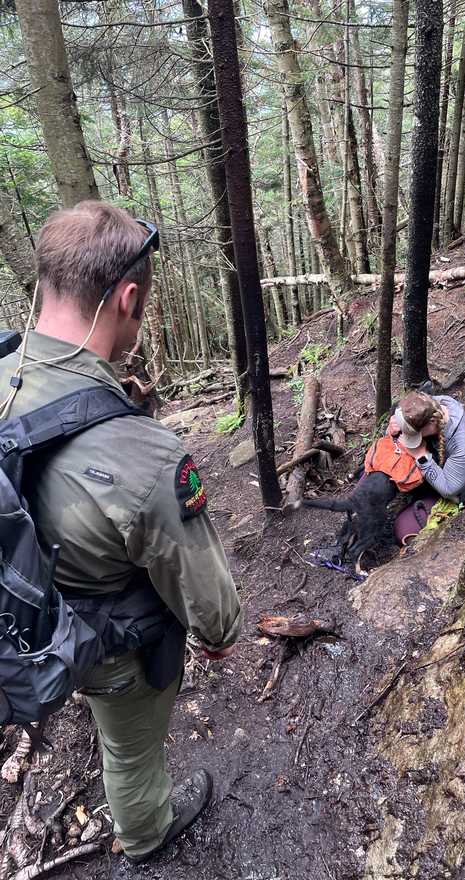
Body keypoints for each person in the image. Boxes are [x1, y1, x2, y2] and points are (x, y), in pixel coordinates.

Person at [0, 201, 242, 862]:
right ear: (128, 297)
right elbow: (211, 603)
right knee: (130, 749)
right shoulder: (146, 456)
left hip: (28, 621)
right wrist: (219, 638)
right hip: (113, 649)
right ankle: (146, 834)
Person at [386, 390, 465, 543]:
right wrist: (393, 429)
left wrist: (421, 456)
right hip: (432, 470)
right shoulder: (425, 405)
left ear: (432, 422)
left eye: (414, 435)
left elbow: (449, 489)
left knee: (403, 528)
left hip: (453, 492)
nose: (409, 438)